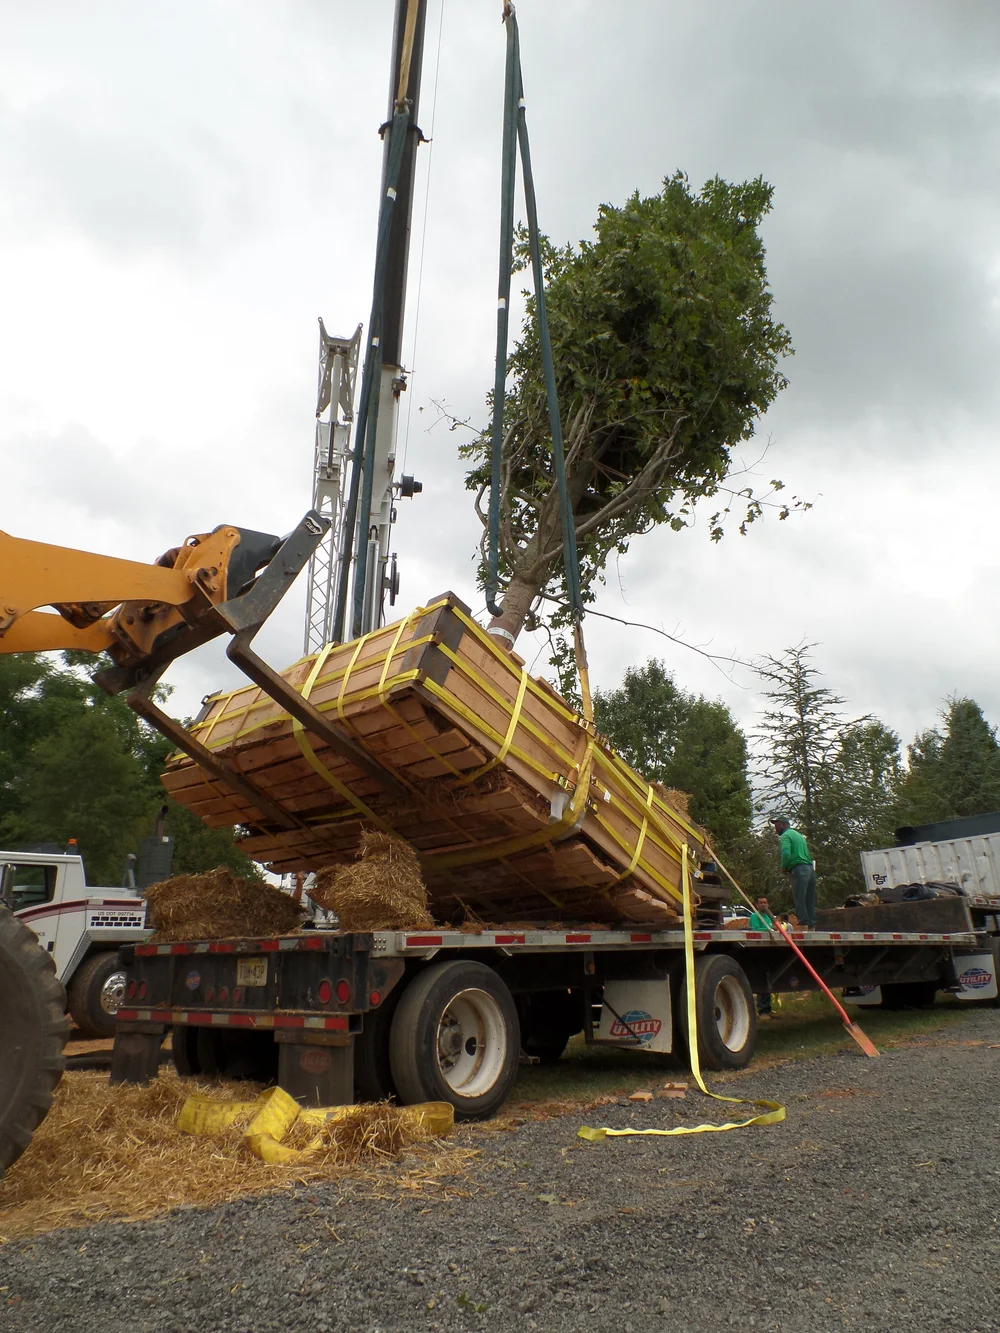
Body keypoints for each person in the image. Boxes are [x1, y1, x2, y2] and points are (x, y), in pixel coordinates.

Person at [770, 816, 817, 929]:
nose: (775, 828)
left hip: (798, 868)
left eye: (777, 825)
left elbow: (786, 853)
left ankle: (803, 923)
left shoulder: (786, 836)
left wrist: (784, 867)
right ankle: (812, 924)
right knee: (810, 898)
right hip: (809, 869)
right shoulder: (799, 836)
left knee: (799, 897)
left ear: (784, 824)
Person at [748, 896, 776, 1015]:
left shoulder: (769, 917)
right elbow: (756, 929)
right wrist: (770, 930)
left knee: (769, 979)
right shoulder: (755, 916)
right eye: (761, 903)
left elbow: (773, 927)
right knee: (762, 978)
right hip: (758, 951)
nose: (763, 904)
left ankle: (768, 1008)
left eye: (765, 902)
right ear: (757, 905)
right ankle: (762, 1010)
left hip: (769, 950)